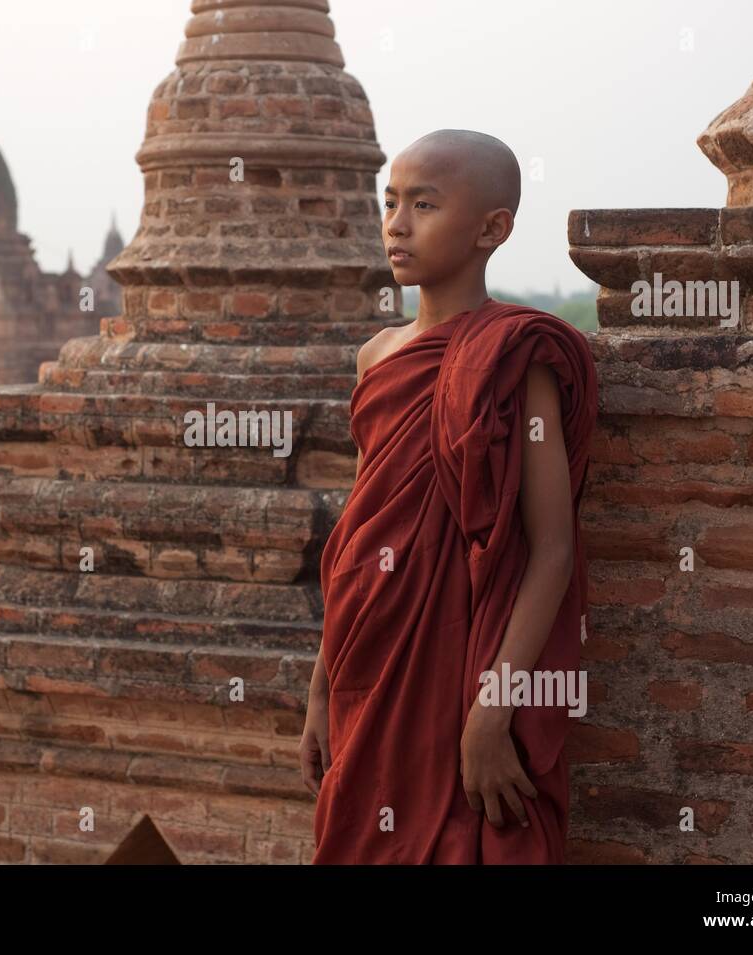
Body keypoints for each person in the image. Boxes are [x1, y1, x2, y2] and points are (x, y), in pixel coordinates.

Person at [301, 129, 599, 864]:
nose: (397, 224)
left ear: (491, 228)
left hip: (459, 667)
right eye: (390, 202)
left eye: (425, 204)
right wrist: (318, 687)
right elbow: (357, 537)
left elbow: (553, 551)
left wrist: (492, 714)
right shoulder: (377, 355)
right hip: (368, 658)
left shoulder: (513, 356)